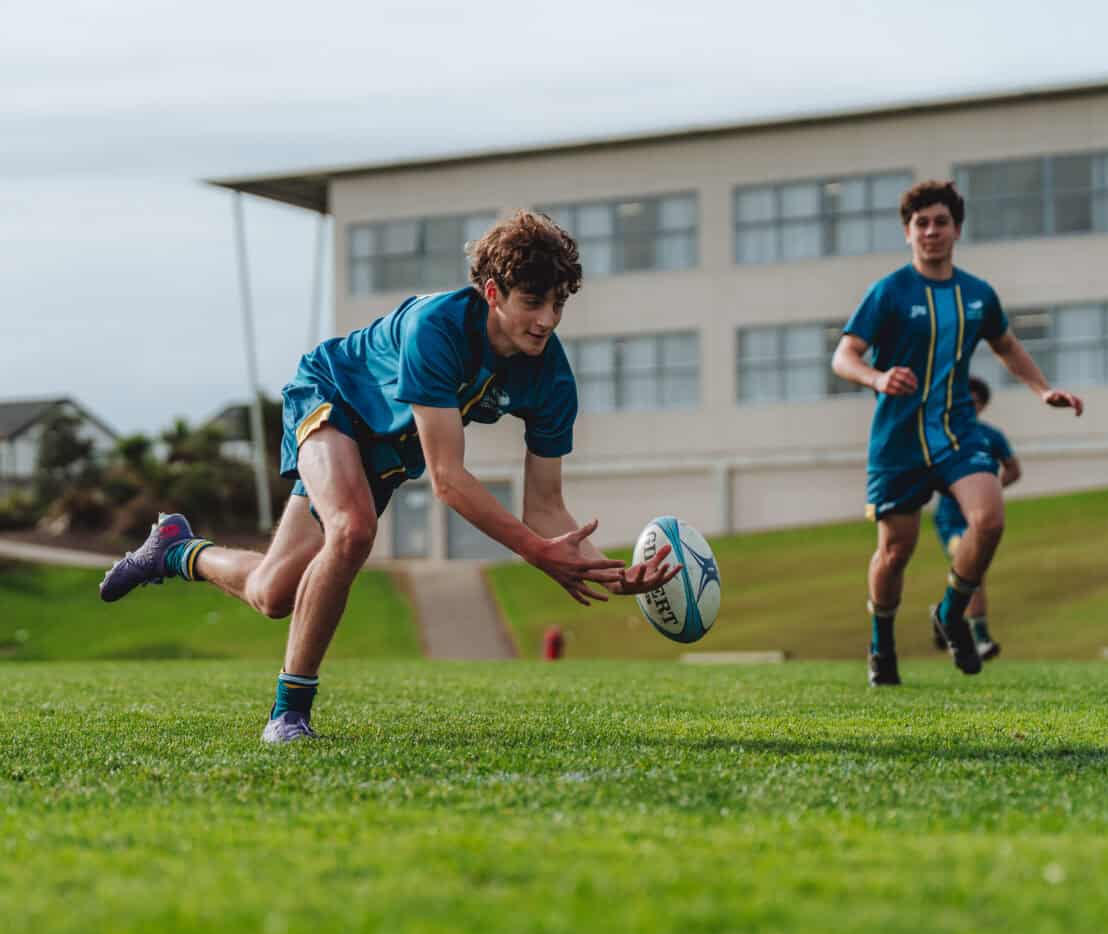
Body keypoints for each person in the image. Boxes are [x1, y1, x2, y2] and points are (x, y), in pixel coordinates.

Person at [99, 211, 680, 741]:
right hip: (331, 398)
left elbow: (547, 509)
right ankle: (289, 714)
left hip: (381, 451)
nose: (547, 321)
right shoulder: (439, 328)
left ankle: (175, 550)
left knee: (273, 593)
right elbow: (448, 480)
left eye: (558, 304)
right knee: (352, 529)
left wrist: (611, 571)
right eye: (533, 301)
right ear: (494, 292)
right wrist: (536, 553)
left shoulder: (551, 379)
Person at [830, 180, 1083, 687]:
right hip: (897, 442)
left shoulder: (977, 295)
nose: (931, 231)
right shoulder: (889, 293)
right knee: (895, 552)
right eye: (921, 223)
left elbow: (1008, 347)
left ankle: (951, 612)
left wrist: (1042, 390)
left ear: (957, 229)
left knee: (988, 520)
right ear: (907, 233)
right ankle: (882, 646)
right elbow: (844, 356)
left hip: (957, 433)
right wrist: (878, 378)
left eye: (940, 222)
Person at [930, 376, 1021, 661]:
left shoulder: (992, 436)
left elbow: (1013, 470)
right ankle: (980, 638)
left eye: (974, 402)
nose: (968, 407)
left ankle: (942, 613)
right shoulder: (944, 433)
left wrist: (987, 493)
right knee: (974, 573)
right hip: (952, 519)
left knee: (971, 573)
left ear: (983, 405)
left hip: (979, 515)